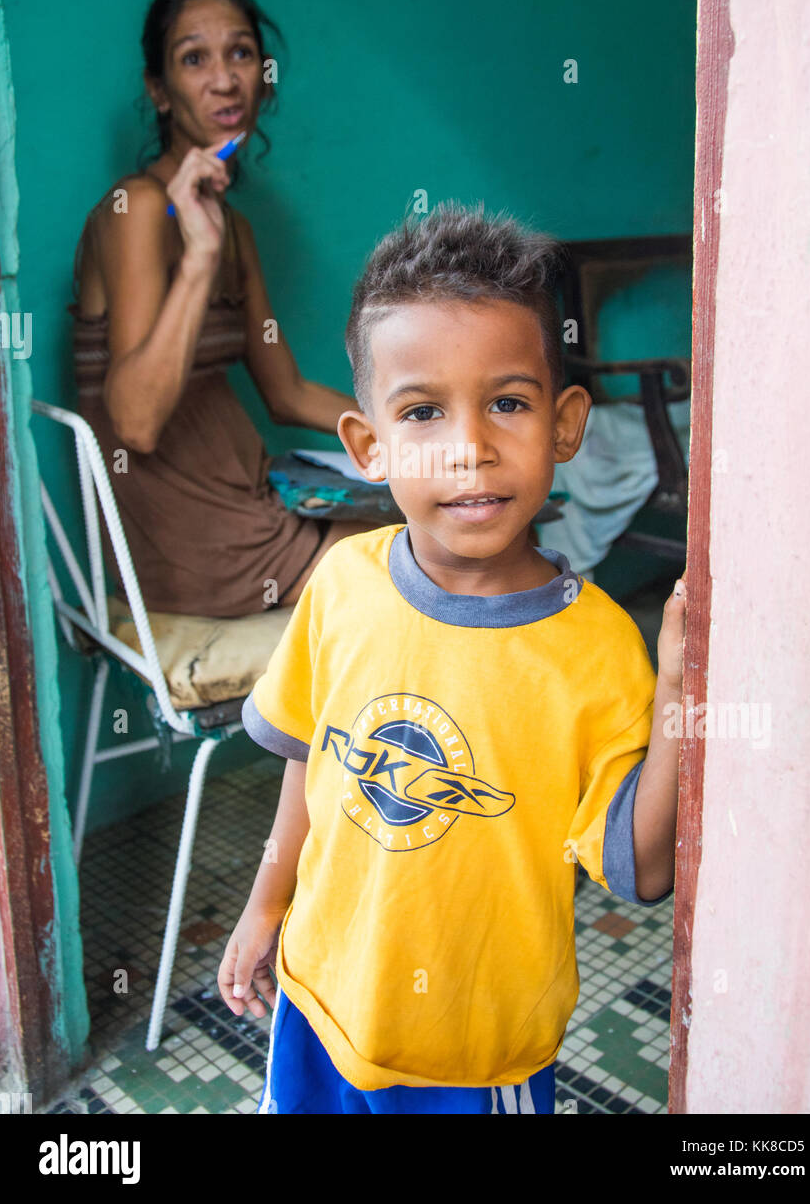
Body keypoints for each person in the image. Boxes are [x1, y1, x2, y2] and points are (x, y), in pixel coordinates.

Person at [217, 202, 686, 1114]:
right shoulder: (344, 582)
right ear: (369, 447)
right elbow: (308, 759)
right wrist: (265, 904)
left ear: (564, 423)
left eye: (508, 403)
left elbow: (644, 867)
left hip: (477, 1056)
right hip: (318, 1009)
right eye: (423, 412)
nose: (470, 449)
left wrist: (677, 688)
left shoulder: (594, 648)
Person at [69, 0, 371, 617]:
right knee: (440, 551)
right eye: (193, 58)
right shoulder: (139, 208)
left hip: (249, 502)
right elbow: (137, 423)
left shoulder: (234, 227)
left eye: (240, 55)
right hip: (184, 543)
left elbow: (285, 391)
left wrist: (407, 436)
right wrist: (198, 259)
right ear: (158, 90)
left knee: (446, 517)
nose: (225, 79)